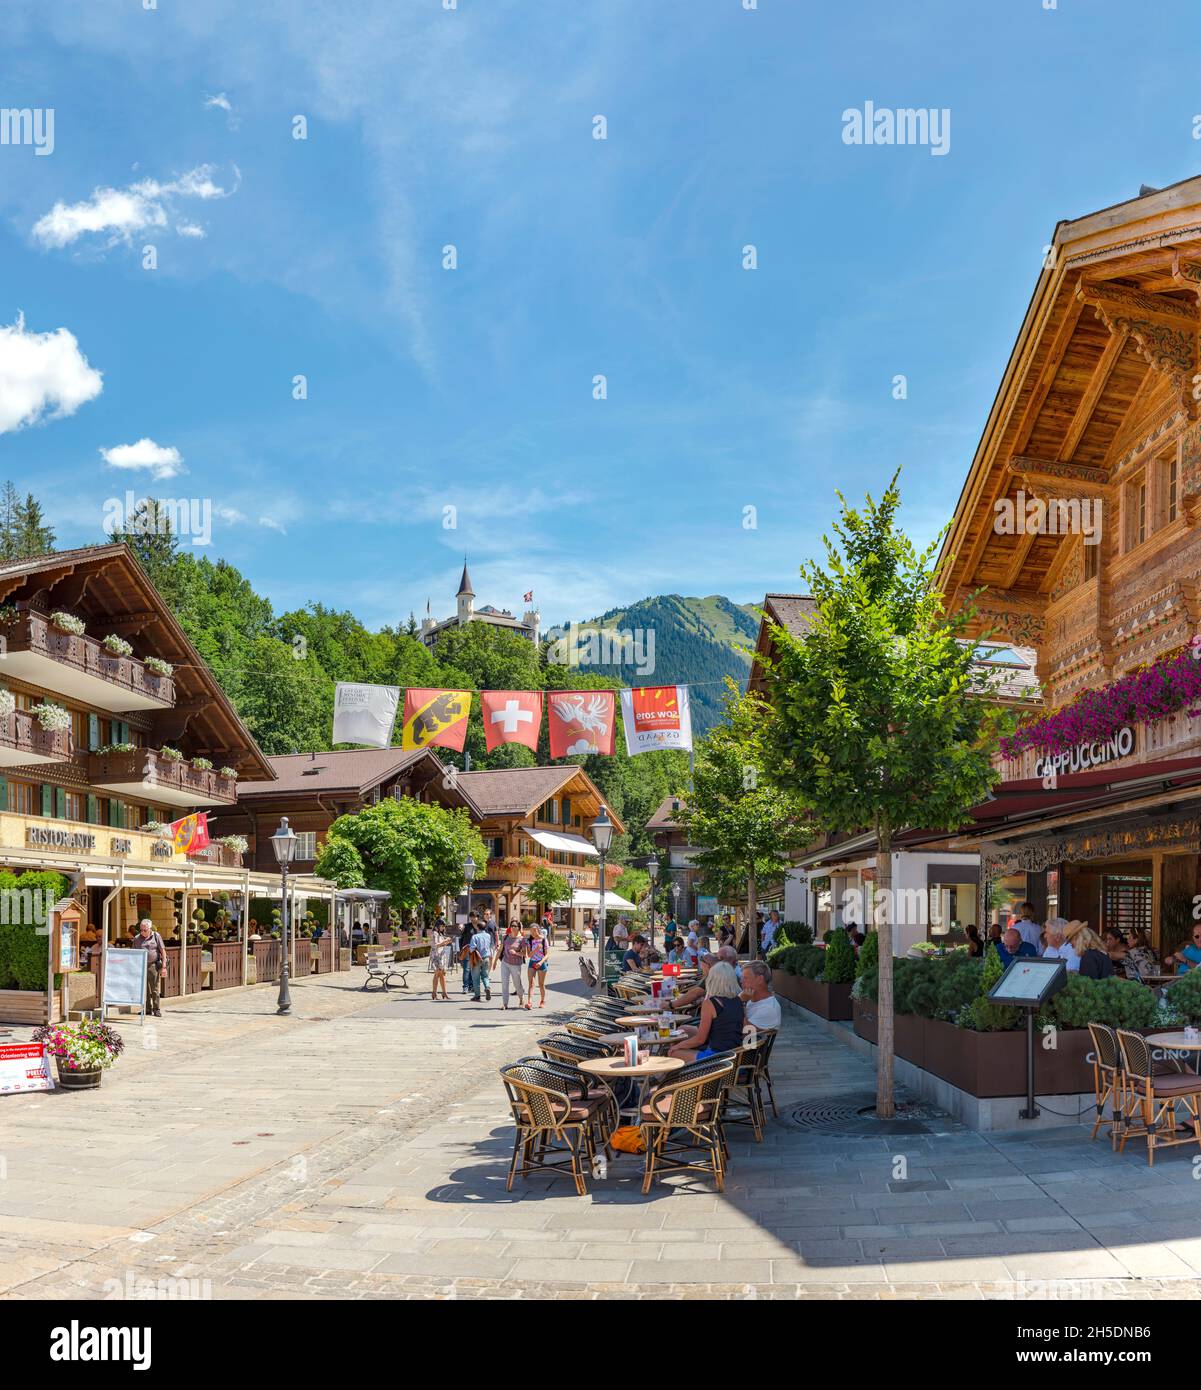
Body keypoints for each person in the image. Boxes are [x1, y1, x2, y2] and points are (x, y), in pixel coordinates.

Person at [669, 962, 745, 1061]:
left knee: (673, 1053)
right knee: (683, 1032)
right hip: (734, 1054)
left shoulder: (710, 1003)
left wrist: (678, 1046)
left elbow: (700, 1039)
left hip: (717, 1058)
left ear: (712, 980)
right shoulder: (739, 1001)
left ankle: (674, 1075)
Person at [130, 918, 167, 1018]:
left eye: (144, 930)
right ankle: (147, 1009)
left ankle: (156, 1009)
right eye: (141, 930)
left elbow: (163, 951)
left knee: (154, 988)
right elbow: (133, 953)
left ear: (149, 928)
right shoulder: (137, 938)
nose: (142, 932)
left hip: (153, 966)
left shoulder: (156, 936)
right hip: (141, 966)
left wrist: (164, 966)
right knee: (144, 989)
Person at [741, 959, 782, 1032]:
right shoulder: (746, 996)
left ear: (760, 979)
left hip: (746, 1043)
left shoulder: (769, 1008)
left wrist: (742, 1003)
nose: (742, 981)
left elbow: (746, 1032)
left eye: (745, 978)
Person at [498, 920, 528, 1009]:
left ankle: (521, 998)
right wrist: (494, 962)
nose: (513, 927)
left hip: (516, 964)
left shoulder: (522, 939)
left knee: (517, 984)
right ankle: (505, 1004)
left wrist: (515, 953)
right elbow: (500, 950)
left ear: (519, 927)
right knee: (504, 983)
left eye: (515, 926)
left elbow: (524, 954)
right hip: (505, 962)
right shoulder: (505, 937)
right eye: (512, 925)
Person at [465, 918, 494, 1001]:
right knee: (485, 976)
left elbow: (472, 949)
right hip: (486, 958)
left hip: (476, 959)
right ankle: (487, 987)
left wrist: (468, 948)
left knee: (475, 977)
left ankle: (477, 996)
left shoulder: (475, 936)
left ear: (478, 928)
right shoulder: (488, 936)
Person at [428, 917, 453, 1001]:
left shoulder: (440, 934)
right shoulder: (434, 933)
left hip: (441, 956)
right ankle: (434, 992)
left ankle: (444, 992)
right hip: (436, 956)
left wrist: (447, 941)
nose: (443, 928)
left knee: (442, 974)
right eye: (442, 926)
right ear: (438, 926)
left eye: (444, 926)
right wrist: (445, 941)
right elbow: (435, 945)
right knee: (437, 974)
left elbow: (441, 945)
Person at [526, 925, 549, 1009]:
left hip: (541, 963)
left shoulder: (543, 940)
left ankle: (542, 1001)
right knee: (531, 983)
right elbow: (529, 955)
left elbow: (547, 955)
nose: (532, 933)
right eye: (531, 931)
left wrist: (540, 962)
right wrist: (536, 949)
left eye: (534, 931)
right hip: (532, 962)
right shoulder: (529, 941)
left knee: (541, 984)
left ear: (538, 930)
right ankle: (529, 1002)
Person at [458, 916, 476, 994]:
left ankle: (471, 986)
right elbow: (462, 927)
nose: (472, 919)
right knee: (466, 969)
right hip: (467, 950)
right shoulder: (467, 926)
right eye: (471, 917)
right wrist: (461, 926)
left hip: (475, 951)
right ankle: (465, 987)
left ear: (477, 918)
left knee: (473, 969)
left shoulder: (479, 927)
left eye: (474, 917)